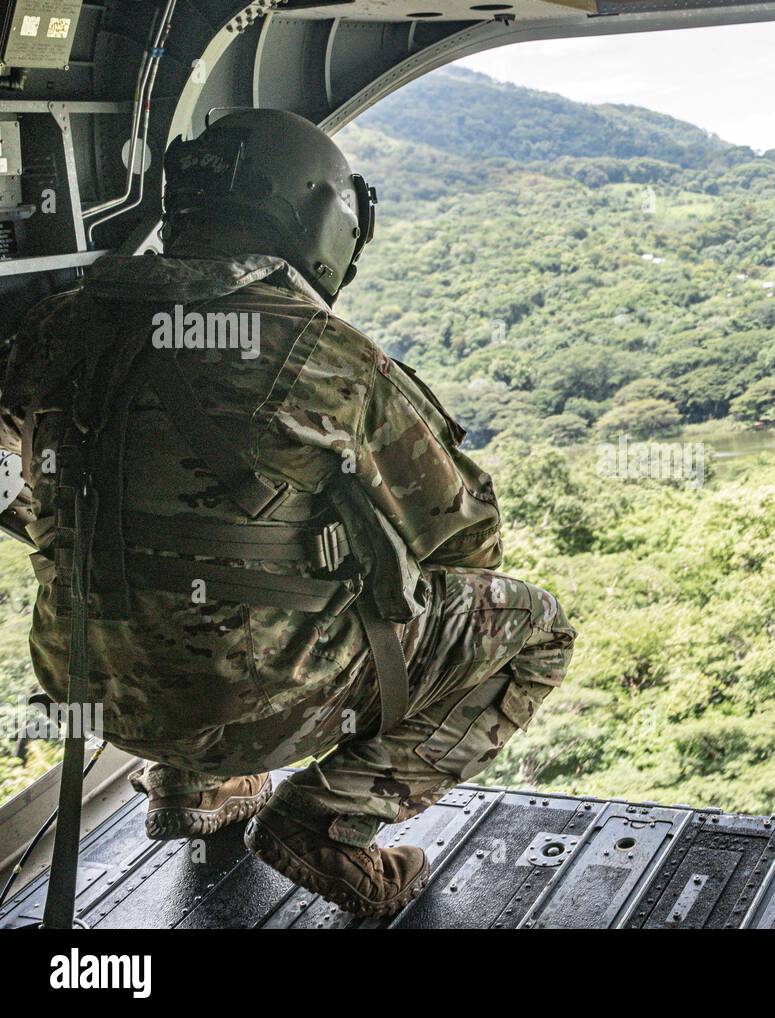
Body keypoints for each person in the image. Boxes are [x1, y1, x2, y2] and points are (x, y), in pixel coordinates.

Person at [0, 109, 575, 918]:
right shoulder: (325, 354)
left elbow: (17, 481)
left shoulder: (54, 331)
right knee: (538, 628)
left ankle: (192, 787)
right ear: (320, 221)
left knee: (187, 583)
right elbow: (465, 538)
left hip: (91, 681)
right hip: (256, 700)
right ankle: (327, 821)